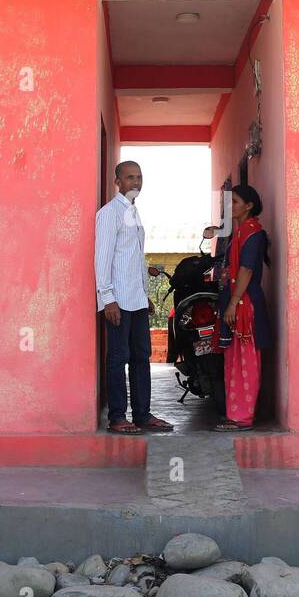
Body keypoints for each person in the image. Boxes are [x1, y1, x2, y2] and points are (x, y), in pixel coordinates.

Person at [94, 161, 174, 435]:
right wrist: (107, 299)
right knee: (118, 358)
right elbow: (102, 259)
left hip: (136, 299)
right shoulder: (109, 214)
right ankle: (117, 417)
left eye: (139, 177)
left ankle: (143, 415)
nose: (136, 182)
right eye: (130, 178)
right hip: (117, 301)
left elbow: (135, 258)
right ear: (118, 182)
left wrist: (144, 294)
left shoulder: (133, 213)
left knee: (141, 357)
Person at [214, 184, 271, 431]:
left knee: (245, 359)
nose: (230, 206)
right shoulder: (238, 233)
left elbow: (246, 270)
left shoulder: (252, 233)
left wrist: (233, 303)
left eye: (235, 202)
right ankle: (234, 413)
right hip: (236, 301)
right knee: (233, 358)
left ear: (248, 206)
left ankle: (243, 417)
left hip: (244, 304)